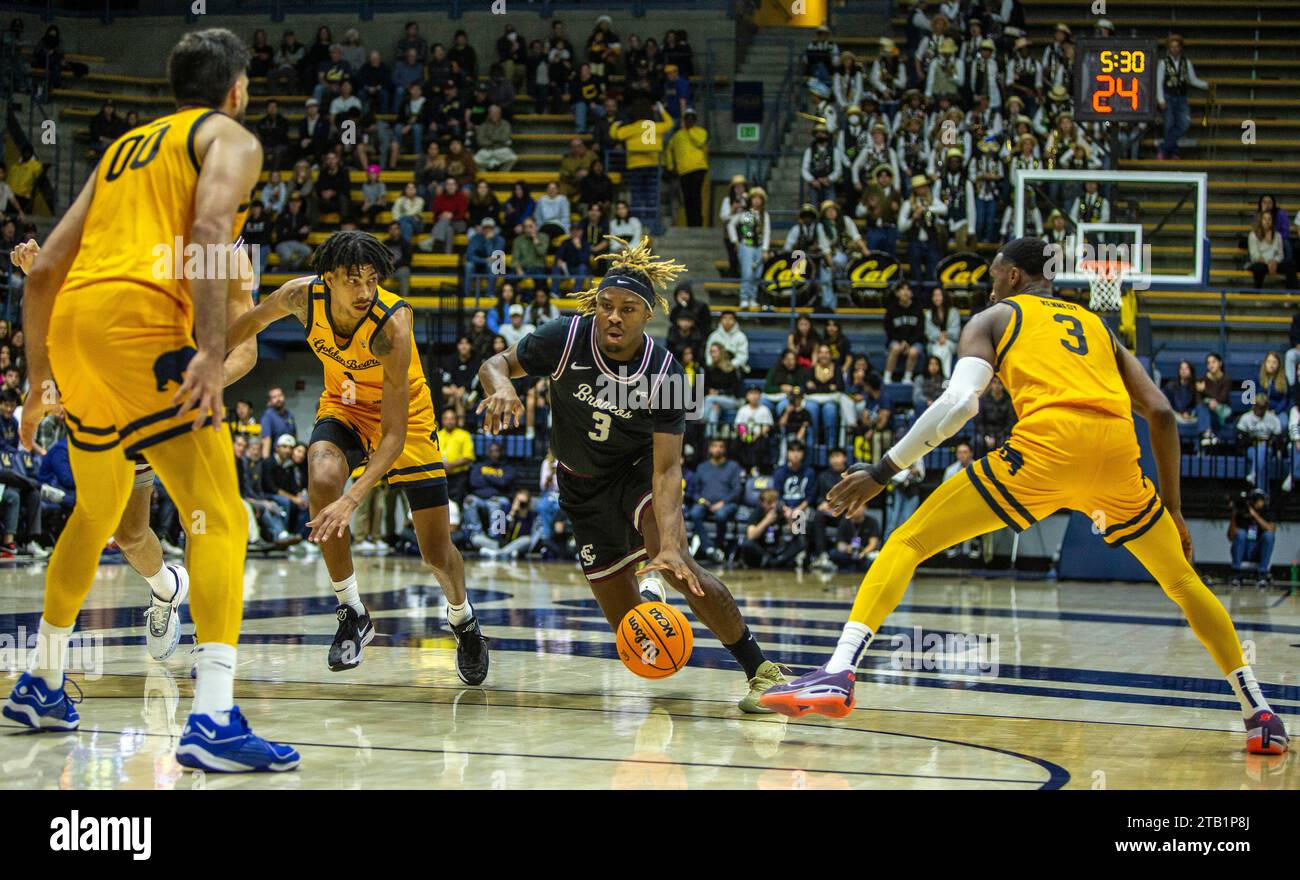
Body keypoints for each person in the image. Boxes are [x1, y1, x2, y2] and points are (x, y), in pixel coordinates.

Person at [761, 236, 1290, 757]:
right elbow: (1162, 414)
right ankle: (1259, 713)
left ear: (1013, 275)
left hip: (1046, 450)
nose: (990, 286)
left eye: (993, 275)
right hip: (1115, 458)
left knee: (909, 541)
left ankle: (838, 671)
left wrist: (882, 469)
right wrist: (1173, 508)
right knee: (1181, 581)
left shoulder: (994, 318)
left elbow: (961, 403)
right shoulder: (1099, 327)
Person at [1, 28, 299, 772]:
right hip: (142, 329)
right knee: (223, 517)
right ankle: (214, 719)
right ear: (237, 89)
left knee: (95, 513)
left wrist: (40, 384)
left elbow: (43, 274)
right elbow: (207, 227)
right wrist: (205, 347)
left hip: (75, 328)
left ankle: (40, 678)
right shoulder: (227, 136)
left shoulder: (121, 153)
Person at [476, 236, 787, 711]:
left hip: (637, 473)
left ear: (648, 316)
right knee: (633, 635)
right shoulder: (564, 337)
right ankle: (650, 595)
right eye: (606, 306)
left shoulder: (666, 374)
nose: (614, 316)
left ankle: (762, 672)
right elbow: (494, 363)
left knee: (684, 569)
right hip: (580, 487)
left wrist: (667, 545)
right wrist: (502, 387)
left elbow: (667, 470)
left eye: (627, 308)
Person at [226, 230, 489, 685]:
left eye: (372, 279)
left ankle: (462, 619)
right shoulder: (300, 297)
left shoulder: (392, 324)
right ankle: (352, 610)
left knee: (435, 551)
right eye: (353, 280)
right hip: (343, 407)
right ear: (328, 278)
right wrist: (193, 351)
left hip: (403, 421)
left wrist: (354, 499)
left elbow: (392, 435)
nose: (365, 290)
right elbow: (247, 325)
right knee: (322, 474)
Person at [687, 439, 742, 563]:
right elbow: (694, 491)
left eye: (721, 446)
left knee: (721, 515)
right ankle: (709, 547)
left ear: (725, 449)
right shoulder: (702, 467)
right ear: (710, 449)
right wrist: (702, 500)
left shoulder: (733, 466)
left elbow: (737, 490)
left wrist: (723, 502)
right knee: (695, 512)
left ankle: (719, 545)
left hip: (726, 504)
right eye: (715, 446)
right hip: (705, 503)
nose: (718, 449)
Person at [1156, 35, 1208, 161]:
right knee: (1169, 125)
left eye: (1176, 46)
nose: (1174, 49)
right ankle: (1174, 152)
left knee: (1184, 124)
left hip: (1181, 97)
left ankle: (1163, 149)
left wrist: (1206, 85)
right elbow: (1159, 82)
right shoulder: (1163, 63)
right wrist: (1161, 99)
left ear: (1180, 48)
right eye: (1172, 47)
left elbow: (1192, 79)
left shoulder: (1186, 63)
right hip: (1168, 96)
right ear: (1169, 48)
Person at [1228, 489, 1275, 588]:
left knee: (1268, 536)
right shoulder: (1242, 513)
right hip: (1244, 549)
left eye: (1259, 499)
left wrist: (1254, 515)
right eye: (1255, 499)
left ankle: (1262, 573)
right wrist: (1233, 515)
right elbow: (1231, 537)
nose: (1257, 502)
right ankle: (1236, 572)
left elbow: (1270, 529)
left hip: (1258, 550)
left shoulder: (1266, 512)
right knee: (1240, 533)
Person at [883, 281, 926, 382]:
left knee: (913, 352)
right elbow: (889, 330)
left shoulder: (918, 309)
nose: (905, 292)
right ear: (897, 293)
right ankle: (887, 376)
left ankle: (907, 377)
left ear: (911, 293)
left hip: (915, 341)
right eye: (902, 289)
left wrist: (909, 343)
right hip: (896, 340)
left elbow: (920, 330)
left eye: (908, 289)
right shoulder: (891, 309)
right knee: (895, 348)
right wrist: (901, 341)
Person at [1237, 397, 1282, 487]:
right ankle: (1263, 495)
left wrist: (1266, 442)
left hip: (1268, 449)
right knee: (1261, 458)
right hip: (1251, 449)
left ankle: (1254, 474)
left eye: (1262, 408)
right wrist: (1256, 441)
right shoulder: (1246, 418)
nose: (1260, 410)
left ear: (1266, 408)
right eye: (1258, 407)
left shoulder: (1273, 419)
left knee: (1262, 450)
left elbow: (1278, 439)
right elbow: (1241, 440)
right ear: (1254, 406)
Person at [1248, 210, 1297, 290]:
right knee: (1258, 268)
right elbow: (1254, 255)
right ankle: (1256, 294)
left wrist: (1274, 261)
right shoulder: (1253, 235)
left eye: (1269, 219)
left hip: (1275, 263)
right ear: (1261, 221)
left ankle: (1292, 295)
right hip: (1261, 263)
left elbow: (1280, 255)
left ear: (1272, 221)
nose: (1267, 222)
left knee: (1290, 265)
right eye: (1265, 219)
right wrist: (1269, 262)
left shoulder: (1277, 236)